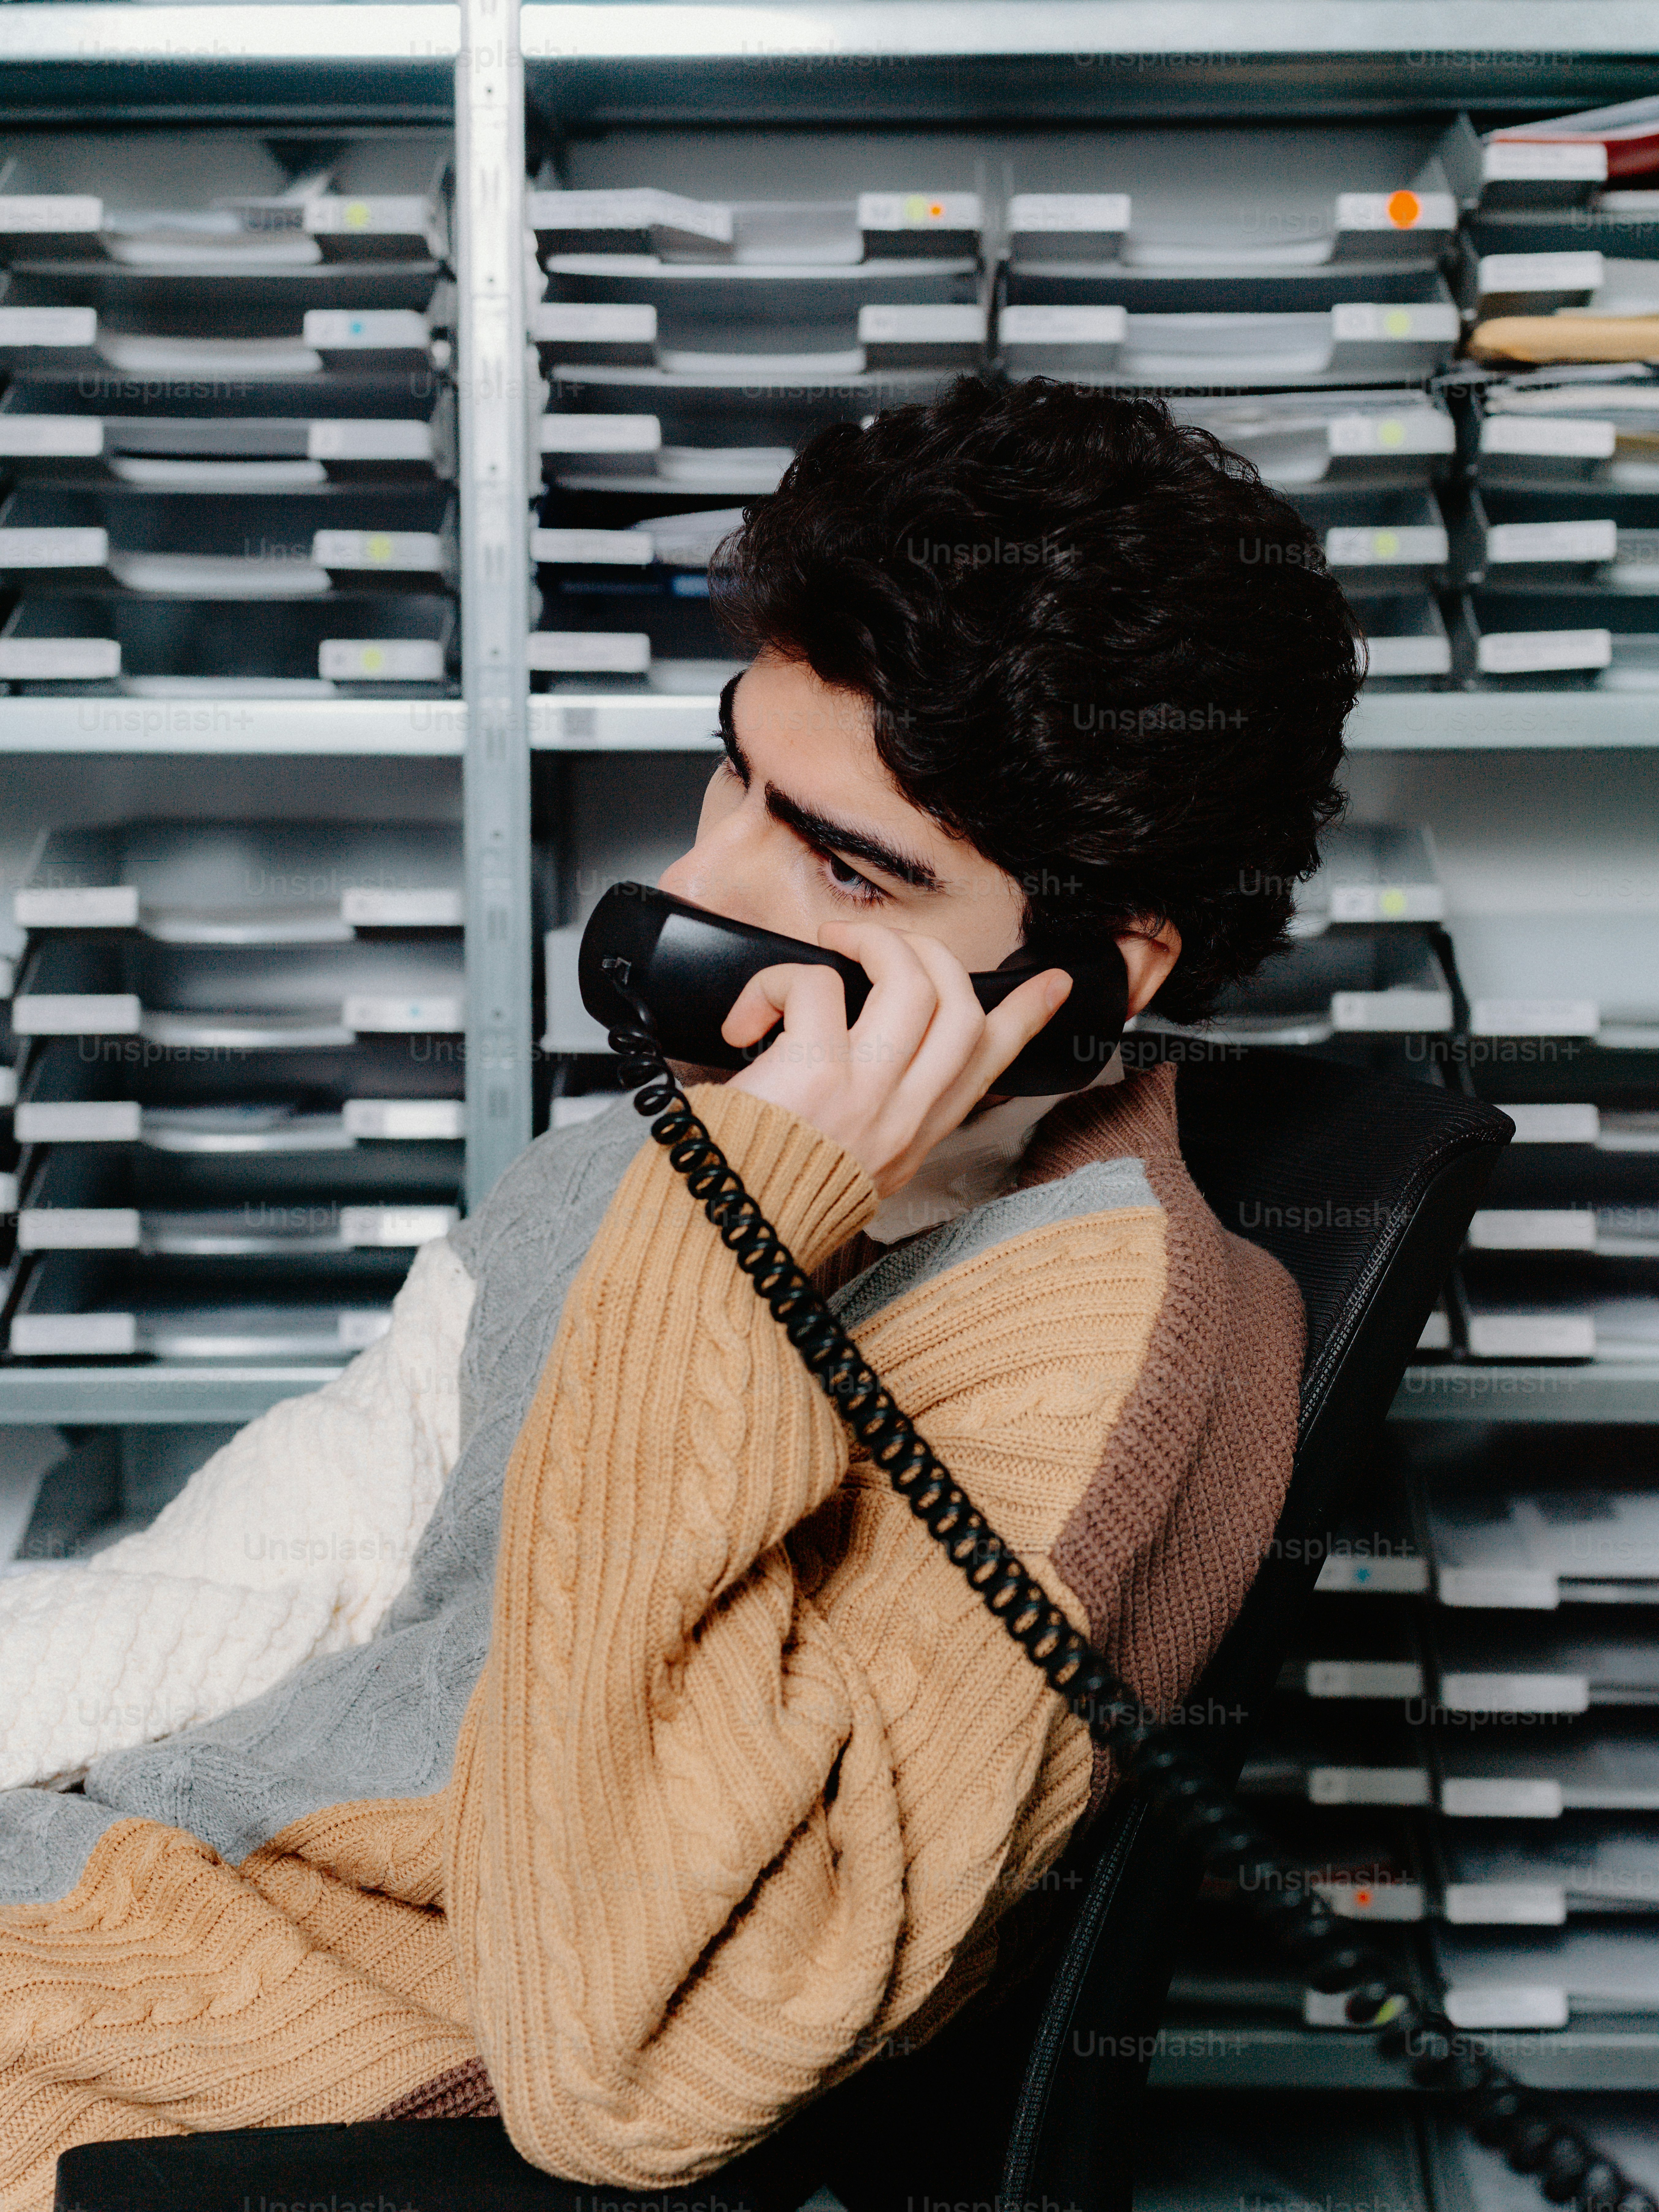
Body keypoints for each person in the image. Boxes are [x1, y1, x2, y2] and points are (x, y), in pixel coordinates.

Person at [0, 376, 1359, 2207]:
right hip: (107, 1883)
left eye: (844, 865)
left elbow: (637, 2071)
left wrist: (729, 1246)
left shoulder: (1100, 1349)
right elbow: (266, 1581)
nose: (694, 885)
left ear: (1095, 977)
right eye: (736, 775)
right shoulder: (643, 1165)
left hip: (251, 2048)